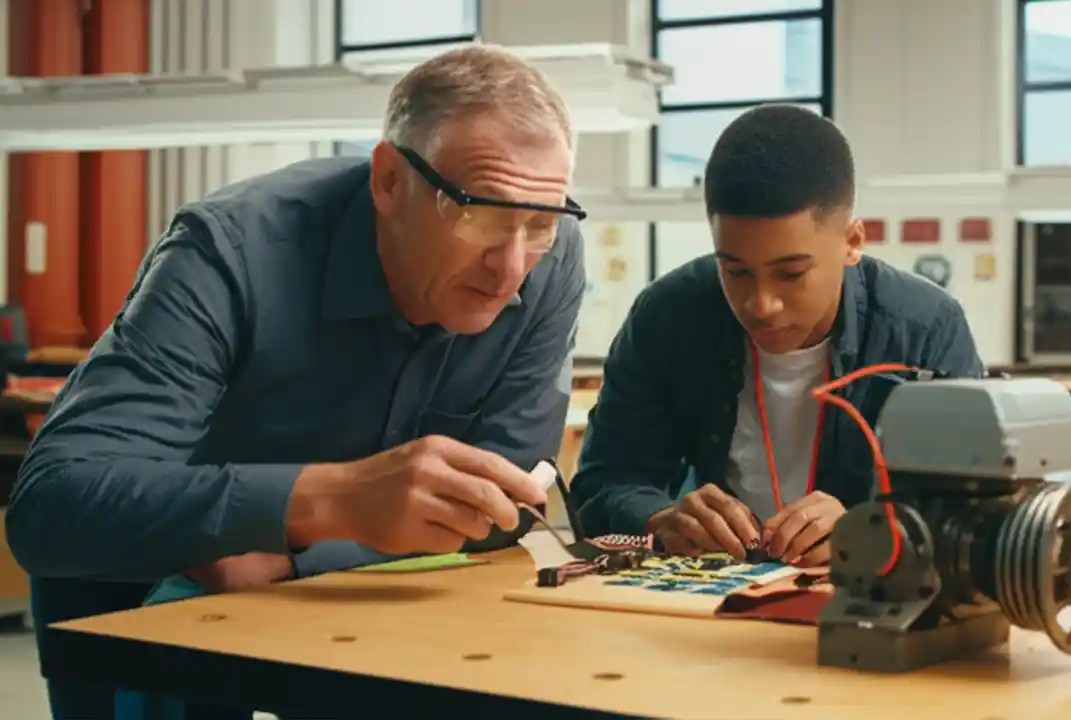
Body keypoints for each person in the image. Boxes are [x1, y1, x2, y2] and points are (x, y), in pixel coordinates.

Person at [6, 44, 585, 719]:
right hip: (141, 581)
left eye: (538, 224)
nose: (511, 266)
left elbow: (506, 498)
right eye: (481, 215)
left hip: (331, 585)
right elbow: (54, 508)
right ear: (389, 181)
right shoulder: (231, 249)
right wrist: (329, 497)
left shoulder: (553, 254)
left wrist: (302, 551)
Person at [570, 105, 983, 568]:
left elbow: (973, 518)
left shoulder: (926, 328)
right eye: (736, 271)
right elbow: (601, 485)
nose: (761, 305)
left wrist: (870, 530)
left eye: (791, 273)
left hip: (869, 603)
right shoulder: (669, 317)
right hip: (711, 602)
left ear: (852, 242)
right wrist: (659, 518)